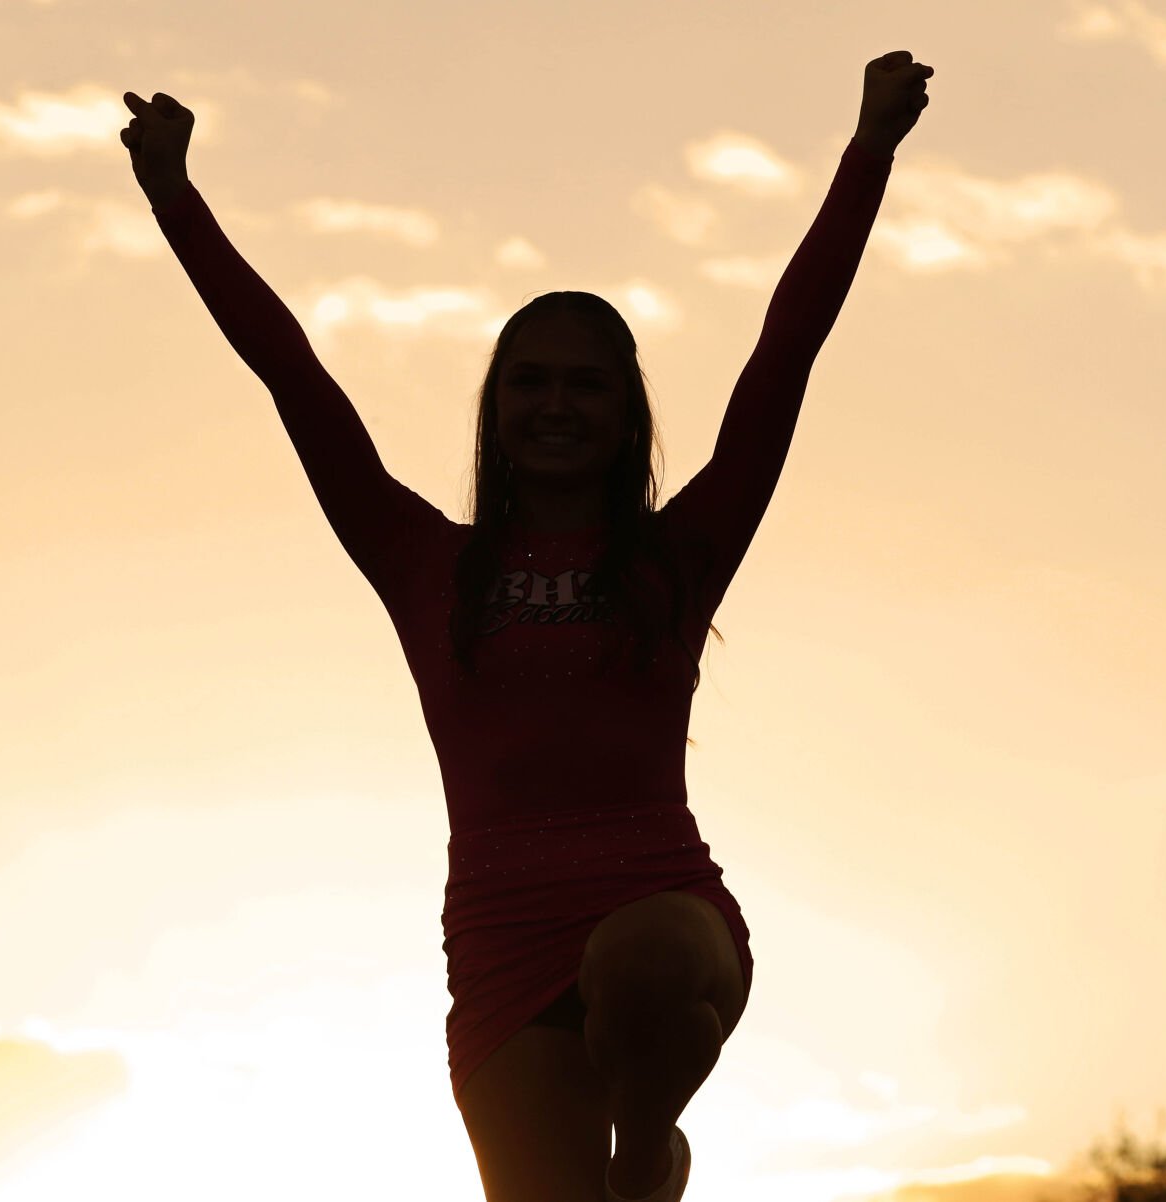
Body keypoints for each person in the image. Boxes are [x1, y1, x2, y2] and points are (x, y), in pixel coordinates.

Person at [120, 49, 932, 1202]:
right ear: (496, 409)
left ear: (626, 412)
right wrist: (174, 199)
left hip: (662, 909)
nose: (556, 404)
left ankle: (644, 1152)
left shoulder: (677, 555)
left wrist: (868, 152)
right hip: (502, 933)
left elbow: (783, 353)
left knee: (642, 960)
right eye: (530, 381)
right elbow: (290, 373)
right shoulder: (421, 560)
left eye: (586, 384)